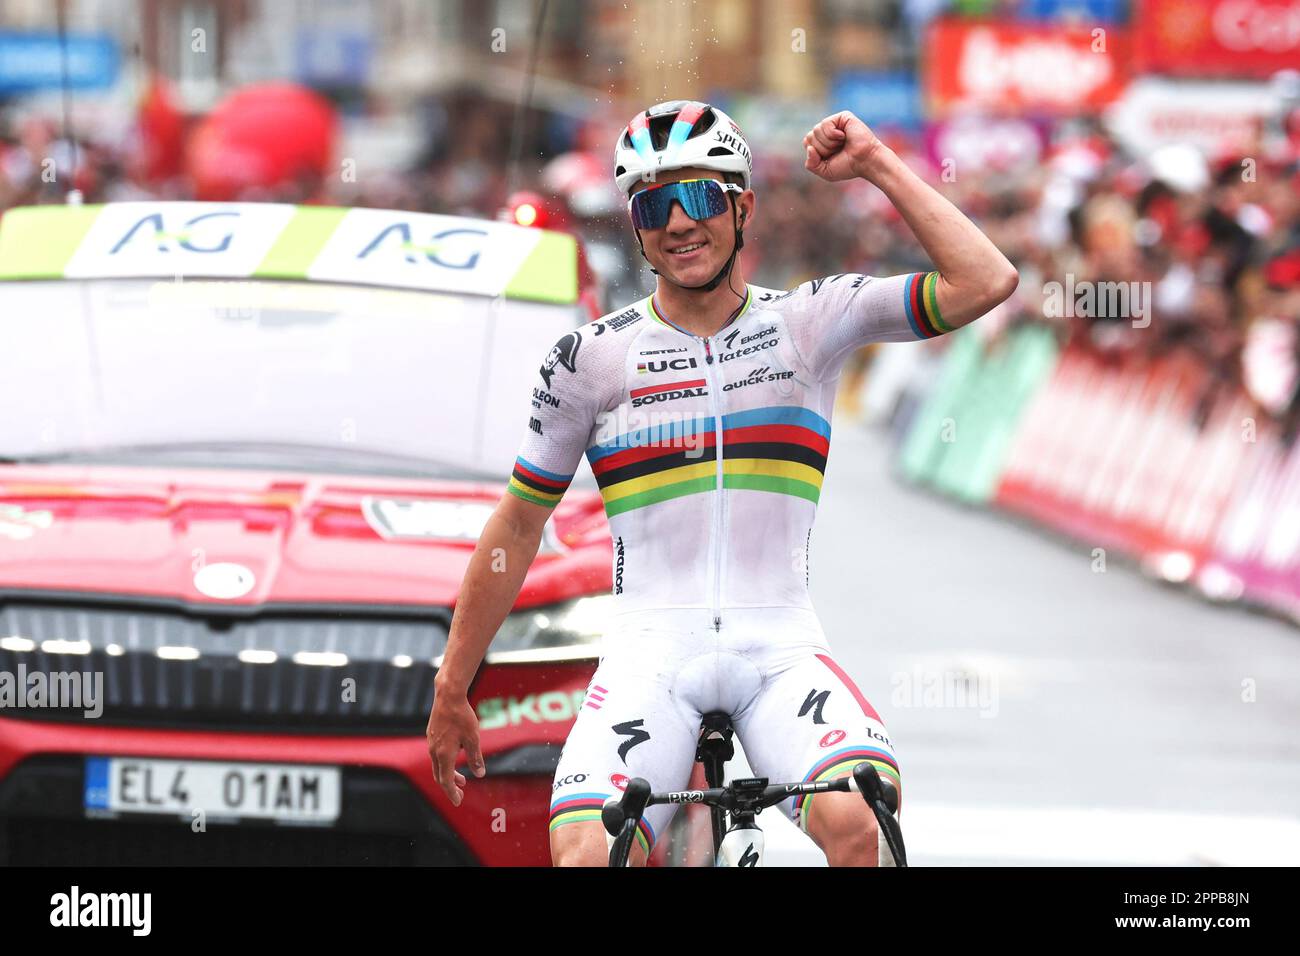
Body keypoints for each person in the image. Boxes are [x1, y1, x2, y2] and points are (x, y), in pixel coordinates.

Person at [427, 100, 1018, 866]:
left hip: (780, 650)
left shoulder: (810, 322)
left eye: (700, 197)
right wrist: (453, 683)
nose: (678, 223)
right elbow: (516, 528)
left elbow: (987, 278)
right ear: (635, 225)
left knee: (861, 819)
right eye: (653, 205)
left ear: (742, 206)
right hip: (650, 656)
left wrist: (875, 164)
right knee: (583, 855)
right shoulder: (590, 360)